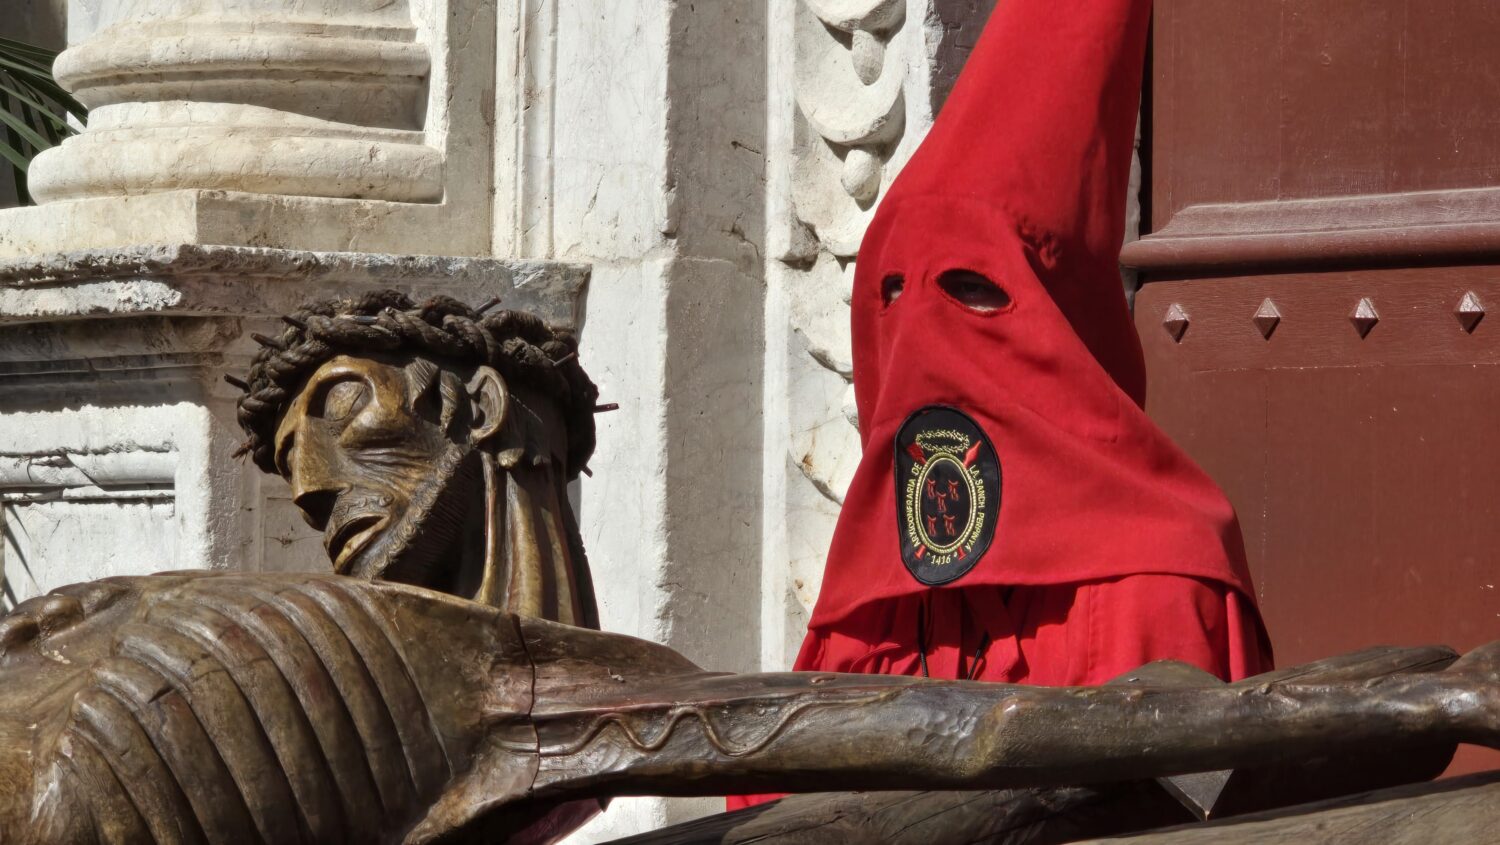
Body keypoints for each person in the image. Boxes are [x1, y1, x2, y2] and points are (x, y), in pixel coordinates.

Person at [731, 0, 1269, 810]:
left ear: (1063, 315)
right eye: (893, 290)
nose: (922, 331)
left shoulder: (1164, 588)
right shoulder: (863, 607)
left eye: (970, 288)